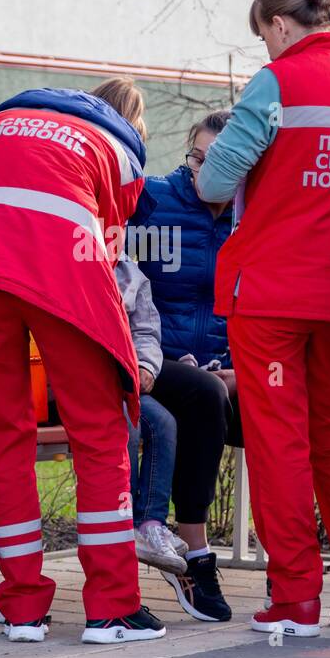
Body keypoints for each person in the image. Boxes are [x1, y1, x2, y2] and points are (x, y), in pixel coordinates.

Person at [0, 78, 166, 645]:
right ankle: (112, 610)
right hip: (63, 274)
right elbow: (111, 249)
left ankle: (23, 611)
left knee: (0, 438)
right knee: (98, 435)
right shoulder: (121, 153)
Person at [195, 0, 330, 638]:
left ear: (280, 26)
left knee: (279, 440)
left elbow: (214, 180)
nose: (266, 50)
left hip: (275, 293)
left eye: (265, 37)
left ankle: (295, 600)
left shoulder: (277, 82)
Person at [132, 110, 240, 621]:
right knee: (204, 394)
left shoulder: (254, 215)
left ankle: (310, 568)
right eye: (197, 158)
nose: (203, 172)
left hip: (227, 368)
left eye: (220, 163)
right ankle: (196, 558)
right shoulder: (152, 203)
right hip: (157, 363)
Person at [115, 255, 188, 575]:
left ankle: (150, 524)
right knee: (127, 422)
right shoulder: (66, 257)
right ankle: (123, 523)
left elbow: (145, 330)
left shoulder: (128, 271)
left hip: (124, 385)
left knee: (162, 422)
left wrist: (145, 367)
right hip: (79, 386)